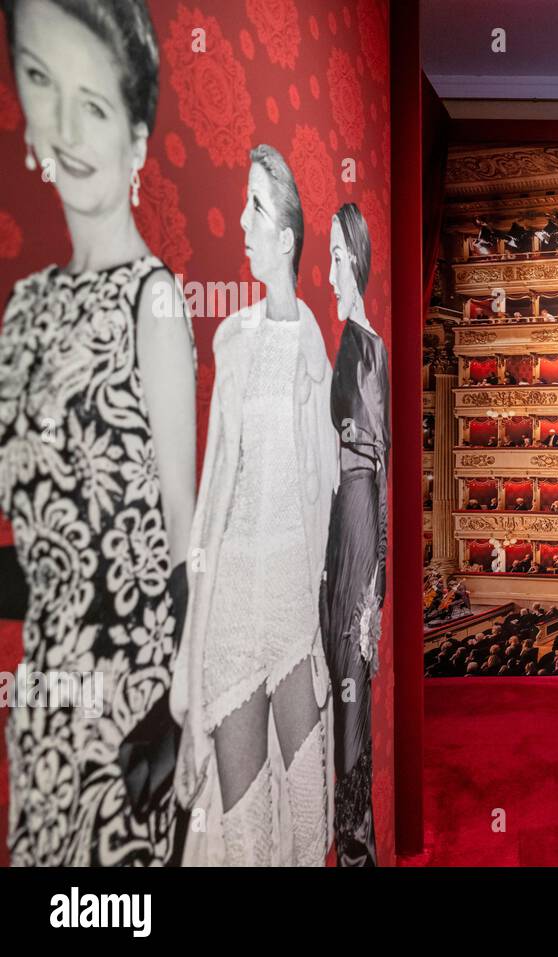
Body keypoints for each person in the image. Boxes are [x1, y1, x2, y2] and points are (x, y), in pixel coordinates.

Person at [0, 0, 194, 866]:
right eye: (42, 81)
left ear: (138, 138)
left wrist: (175, 712)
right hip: (45, 695)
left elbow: (184, 537)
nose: (66, 128)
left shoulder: (152, 304)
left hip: (130, 705)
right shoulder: (23, 310)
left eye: (97, 104)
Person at [172, 144, 336, 866]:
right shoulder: (230, 341)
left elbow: (325, 499)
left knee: (307, 822)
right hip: (236, 603)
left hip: (293, 611)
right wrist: (191, 653)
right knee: (241, 834)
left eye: (257, 208)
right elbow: (213, 501)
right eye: (244, 204)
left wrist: (327, 636)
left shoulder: (313, 348)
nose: (243, 221)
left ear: (286, 238)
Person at [320, 205, 388, 867]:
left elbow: (377, 460)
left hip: (356, 527)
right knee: (344, 691)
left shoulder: (362, 345)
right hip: (343, 528)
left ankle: (358, 850)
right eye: (329, 253)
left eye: (340, 255)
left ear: (359, 260)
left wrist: (376, 574)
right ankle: (353, 844)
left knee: (351, 690)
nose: (330, 268)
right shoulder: (349, 341)